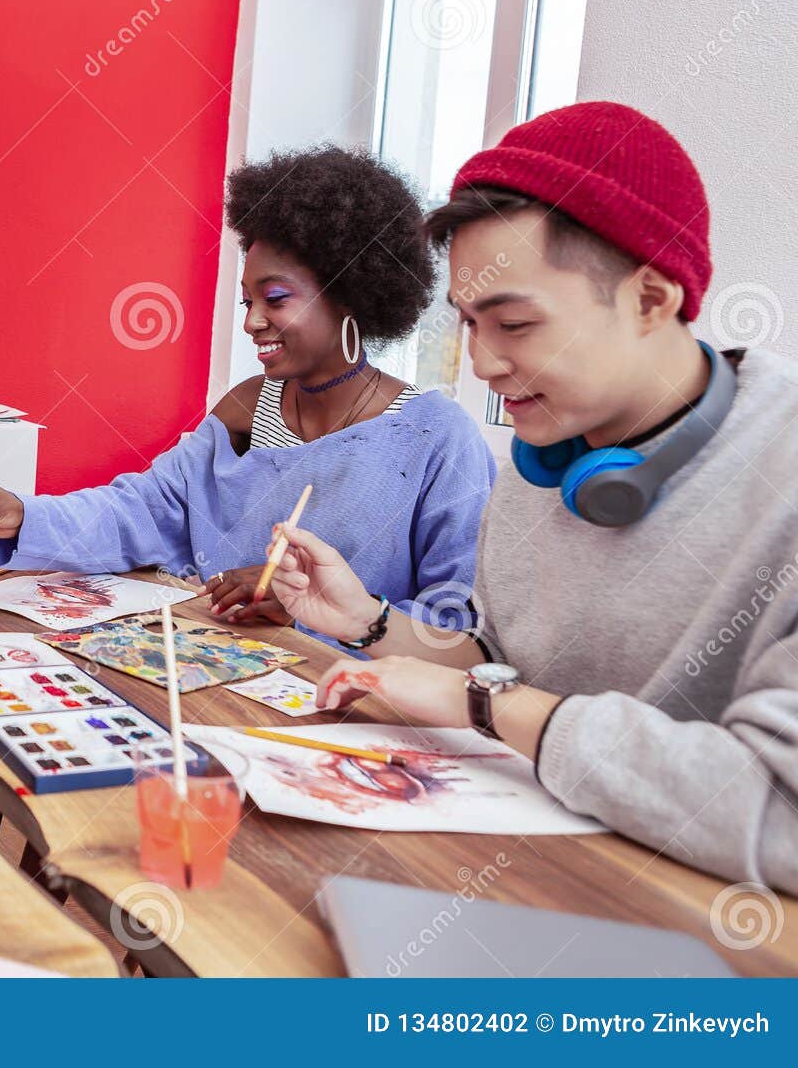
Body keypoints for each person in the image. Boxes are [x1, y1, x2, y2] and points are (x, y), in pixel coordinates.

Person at [265, 102, 798, 893]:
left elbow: (779, 817)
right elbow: (501, 664)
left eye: (514, 323)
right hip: (526, 874)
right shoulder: (541, 457)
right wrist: (372, 623)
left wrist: (486, 710)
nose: (481, 362)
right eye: (469, 324)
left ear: (652, 299)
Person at [0, 147, 494, 640]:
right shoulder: (247, 409)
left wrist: (314, 612)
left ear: (351, 294)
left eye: (275, 299)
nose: (252, 323)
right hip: (213, 683)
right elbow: (141, 510)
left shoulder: (437, 438)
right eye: (248, 302)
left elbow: (458, 628)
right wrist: (21, 516)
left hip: (350, 709)